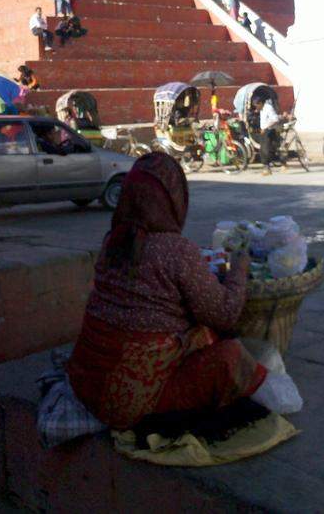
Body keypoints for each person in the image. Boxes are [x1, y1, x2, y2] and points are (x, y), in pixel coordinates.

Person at [67, 153, 267, 430]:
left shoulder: (113, 241)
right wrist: (239, 269)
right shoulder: (176, 250)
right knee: (229, 355)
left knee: (201, 333)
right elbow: (225, 314)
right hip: (129, 405)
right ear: (174, 199)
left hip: (86, 384)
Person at [254, 97, 281, 175]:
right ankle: (266, 167)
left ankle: (267, 168)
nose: (256, 107)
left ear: (260, 103)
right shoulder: (261, 109)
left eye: (257, 105)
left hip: (269, 130)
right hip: (264, 131)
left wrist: (266, 128)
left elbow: (275, 119)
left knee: (264, 149)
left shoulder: (268, 108)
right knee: (262, 150)